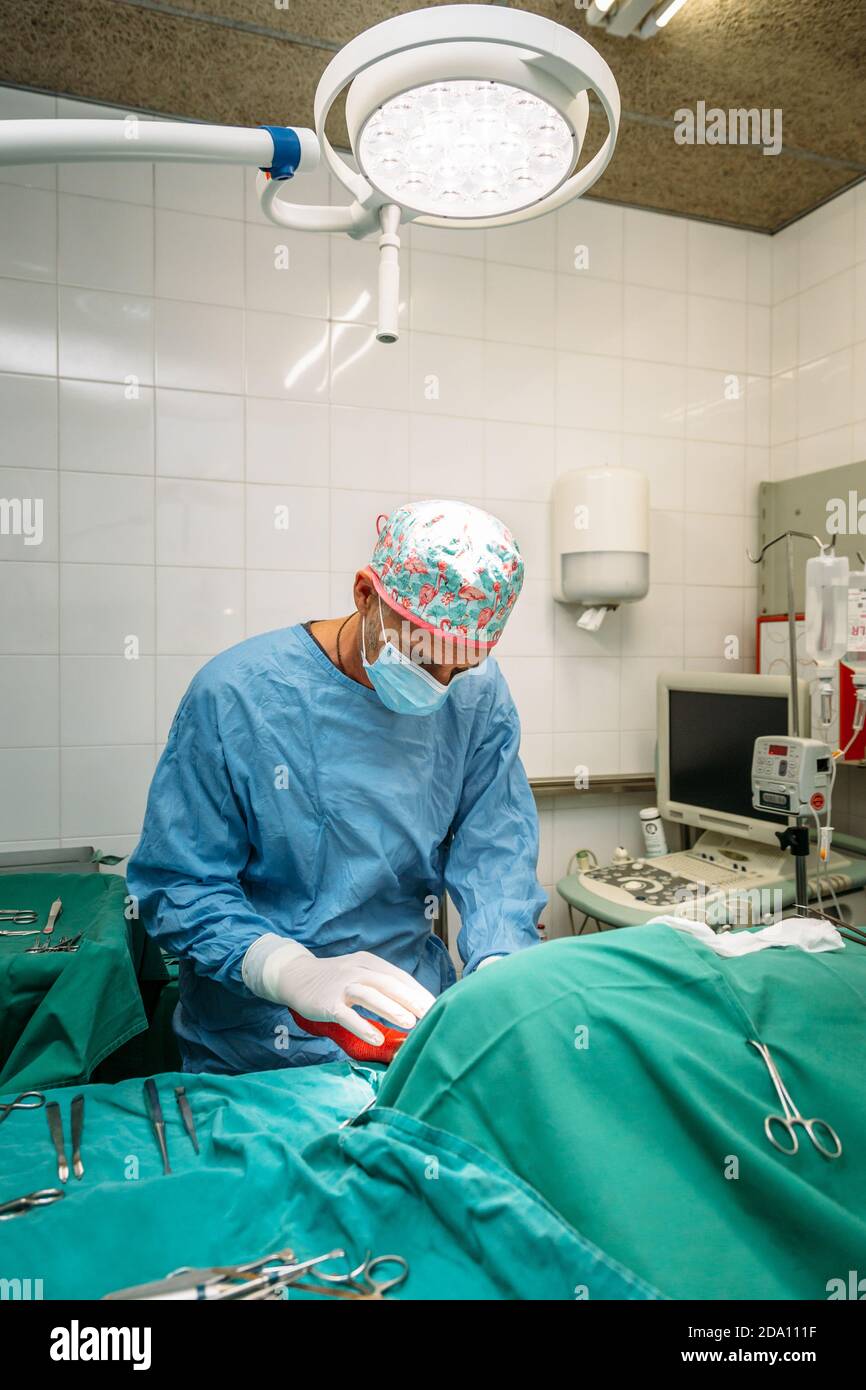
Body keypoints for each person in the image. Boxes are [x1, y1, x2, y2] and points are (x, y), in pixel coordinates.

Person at [127, 499, 546, 1073]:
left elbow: (495, 846)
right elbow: (179, 883)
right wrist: (283, 968)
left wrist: (501, 961)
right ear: (366, 595)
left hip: (409, 1026)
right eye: (424, 657)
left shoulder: (478, 697)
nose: (442, 686)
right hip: (256, 1044)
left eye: (462, 667)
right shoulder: (237, 696)